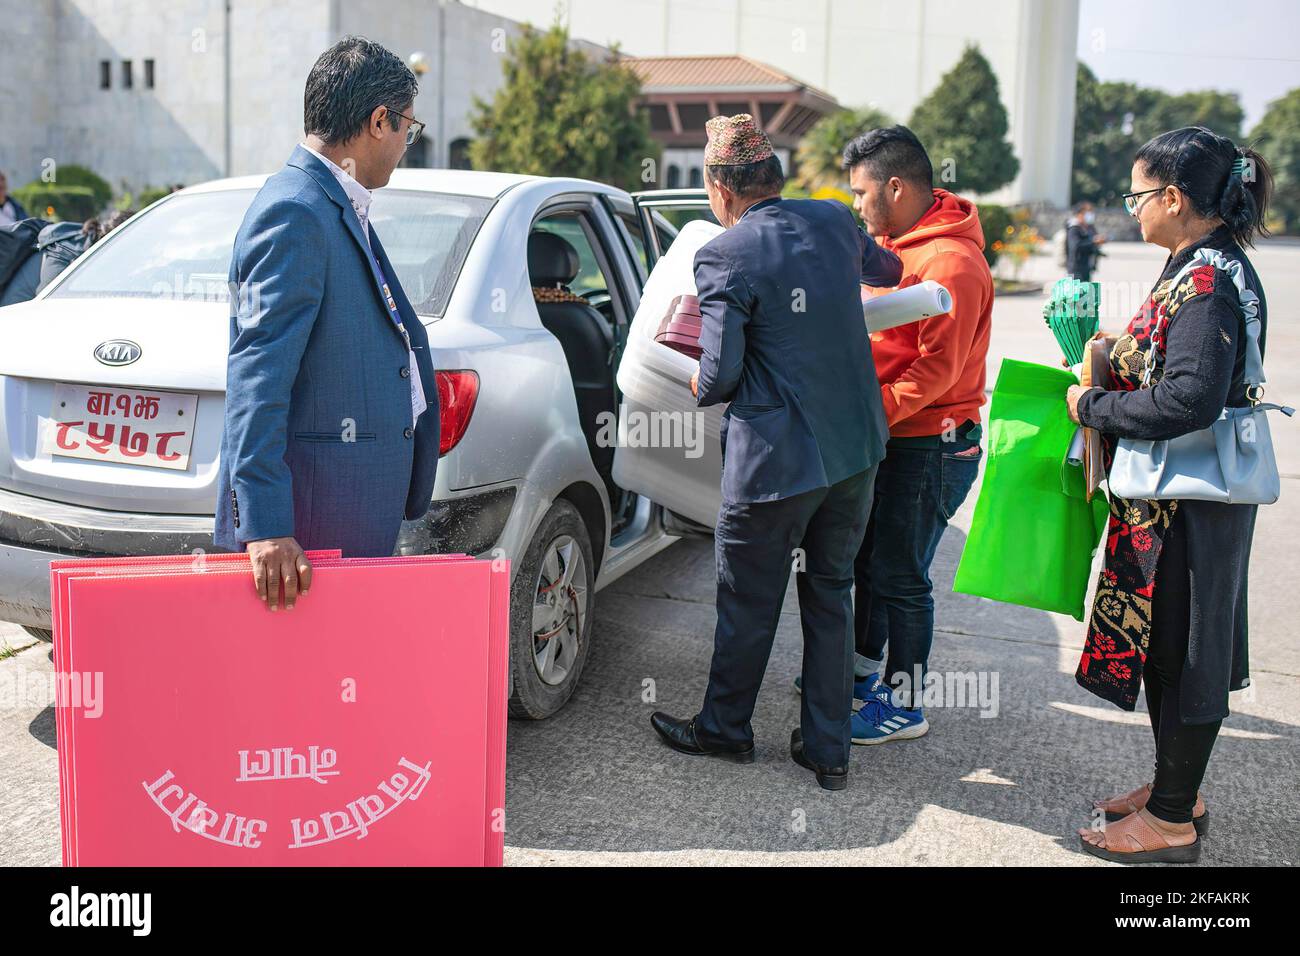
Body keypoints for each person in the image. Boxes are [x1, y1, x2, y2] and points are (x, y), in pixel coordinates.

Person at [650, 114, 903, 790]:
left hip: (776, 464)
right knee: (830, 592)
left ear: (718, 189)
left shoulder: (724, 253)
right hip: (855, 449)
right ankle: (828, 749)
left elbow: (722, 373)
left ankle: (725, 731)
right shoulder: (830, 221)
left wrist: (691, 368)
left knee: (746, 602)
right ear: (774, 178)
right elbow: (890, 267)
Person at [1065, 127, 1274, 864]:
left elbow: (1190, 399)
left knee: (1187, 654)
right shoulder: (1200, 267)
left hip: (1191, 502)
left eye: (1138, 194)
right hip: (1176, 498)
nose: (1134, 208)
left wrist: (1091, 407)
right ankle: (1171, 790)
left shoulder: (1209, 280)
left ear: (1175, 198)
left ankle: (1173, 820)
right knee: (1166, 647)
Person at [214, 36, 439, 610]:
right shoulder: (295, 210)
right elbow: (257, 378)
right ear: (379, 120)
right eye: (407, 129)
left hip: (345, 517)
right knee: (295, 694)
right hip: (307, 535)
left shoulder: (333, 200)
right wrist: (264, 525)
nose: (405, 146)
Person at [831, 125, 992, 743]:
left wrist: (867, 410)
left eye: (860, 193)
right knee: (872, 561)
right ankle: (861, 673)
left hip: (933, 443)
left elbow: (937, 370)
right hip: (897, 434)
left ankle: (904, 705)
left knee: (902, 574)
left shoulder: (950, 261)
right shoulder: (896, 247)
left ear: (895, 188)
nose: (856, 206)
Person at [1066, 201, 1105, 281]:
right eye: (1088, 212)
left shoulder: (1089, 228)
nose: (1090, 215)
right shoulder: (1074, 228)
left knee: (1087, 292)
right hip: (1076, 268)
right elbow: (1075, 246)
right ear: (1080, 214)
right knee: (1077, 292)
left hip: (1087, 267)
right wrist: (1093, 241)